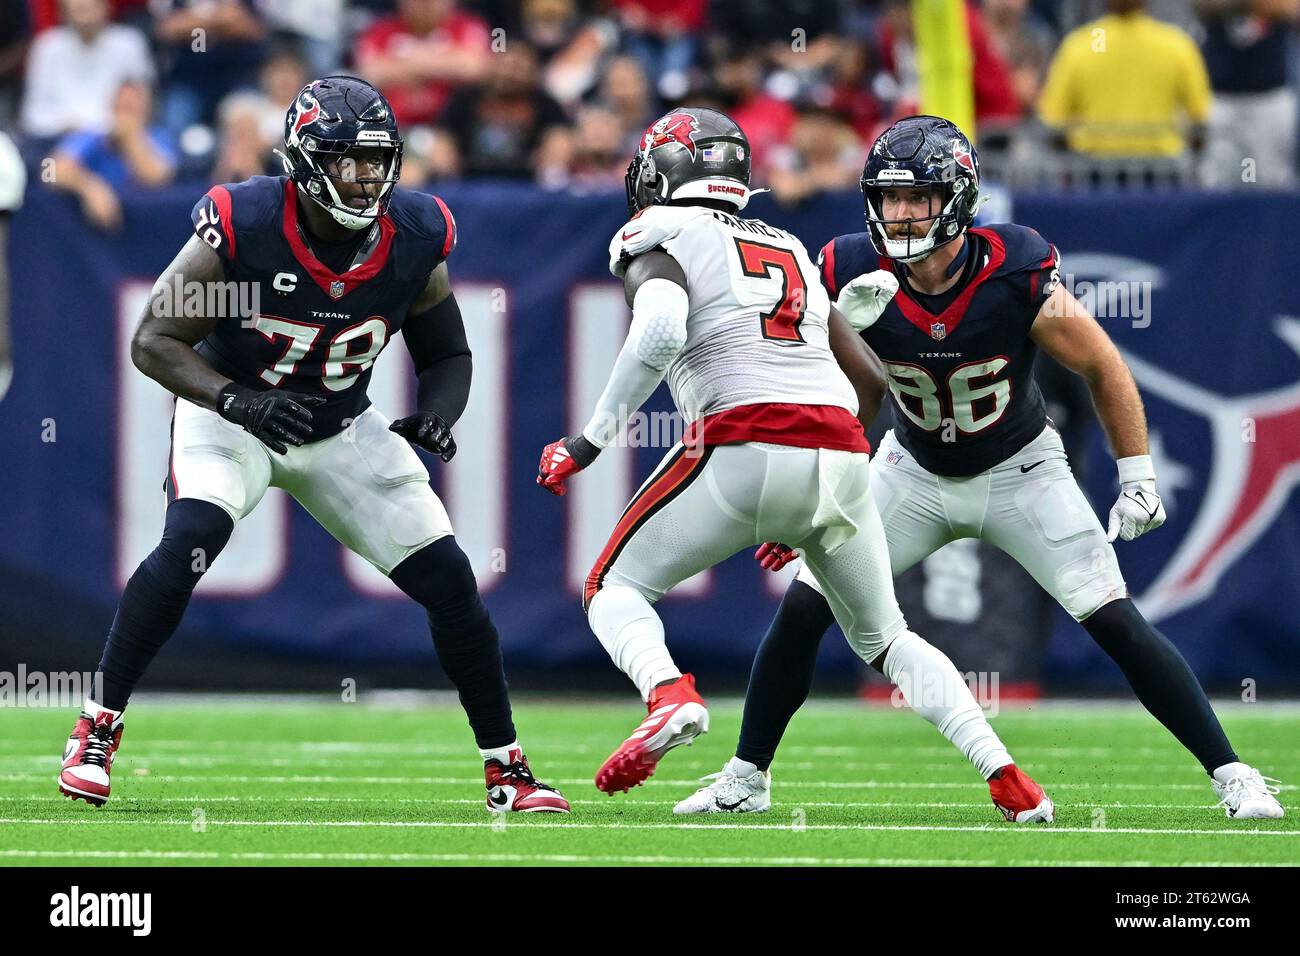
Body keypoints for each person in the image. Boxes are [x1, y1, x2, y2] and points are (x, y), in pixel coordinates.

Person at [703, 114, 1283, 820]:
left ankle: (1233, 773)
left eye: (918, 197)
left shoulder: (1012, 268)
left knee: (1113, 620)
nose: (901, 213)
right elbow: (823, 391)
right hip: (910, 469)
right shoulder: (848, 268)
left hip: (1020, 469)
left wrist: (1138, 473)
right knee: (803, 608)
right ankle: (746, 777)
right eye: (889, 198)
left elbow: (1101, 362)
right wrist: (814, 479)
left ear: (958, 197)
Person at [57, 76, 569, 815]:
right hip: (233, 411)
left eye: (375, 159)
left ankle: (507, 769)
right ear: (302, 161)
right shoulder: (248, 219)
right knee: (192, 536)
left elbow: (448, 356)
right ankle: (97, 725)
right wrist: (239, 400)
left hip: (339, 425)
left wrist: (436, 413)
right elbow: (154, 339)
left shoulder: (416, 231)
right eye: (347, 161)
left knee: (451, 582)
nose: (366, 177)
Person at [536, 108, 1053, 822]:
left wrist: (588, 443)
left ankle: (668, 694)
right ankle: (1009, 779)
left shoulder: (656, 231)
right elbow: (870, 382)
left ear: (662, 173)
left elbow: (658, 329)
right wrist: (808, 499)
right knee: (888, 640)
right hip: (839, 453)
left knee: (611, 587)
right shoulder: (789, 245)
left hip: (742, 437)